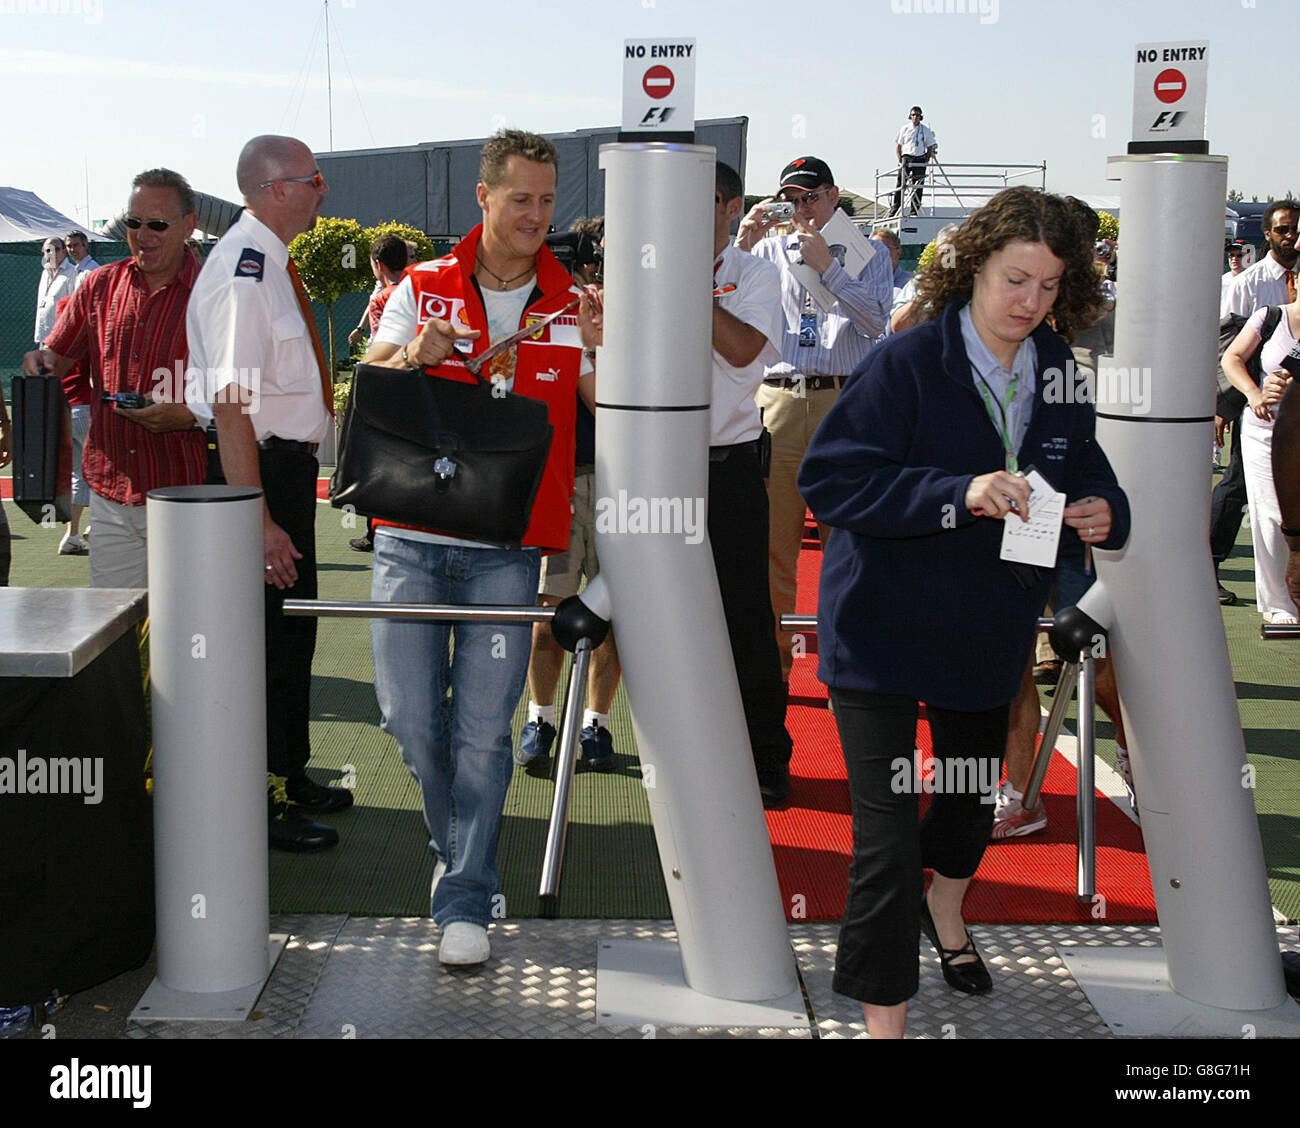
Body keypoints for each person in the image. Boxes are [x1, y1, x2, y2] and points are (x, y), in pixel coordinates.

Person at [798, 186, 1129, 1038]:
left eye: (1052, 287)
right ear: (974, 264)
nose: (1031, 302)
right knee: (884, 841)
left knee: (968, 800)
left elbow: (1081, 460)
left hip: (987, 620)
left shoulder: (1055, 362)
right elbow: (830, 481)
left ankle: (946, 911)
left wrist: (1101, 507)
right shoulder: (904, 361)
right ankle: (885, 1025)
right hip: (879, 623)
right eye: (1017, 278)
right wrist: (960, 491)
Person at [361, 129, 599, 967]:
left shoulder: (575, 302)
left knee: (482, 733)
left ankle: (465, 891)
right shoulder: (422, 285)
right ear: (484, 198)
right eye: (520, 198)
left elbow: (615, 399)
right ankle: (457, 851)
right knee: (409, 719)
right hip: (411, 538)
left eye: (546, 199)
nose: (536, 214)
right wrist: (410, 352)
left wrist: (608, 345)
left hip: (508, 544)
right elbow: (370, 367)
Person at [186, 135, 349, 853]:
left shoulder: (270, 266)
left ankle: (287, 774)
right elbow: (230, 407)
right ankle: (258, 801)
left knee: (289, 634)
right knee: (264, 642)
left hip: (276, 473)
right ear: (279, 187)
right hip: (257, 478)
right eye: (315, 180)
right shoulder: (245, 272)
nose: (324, 192)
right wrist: (259, 521)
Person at [734, 155, 893, 683]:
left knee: (844, 545)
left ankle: (845, 667)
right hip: (778, 394)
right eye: (792, 199)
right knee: (773, 544)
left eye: (810, 196)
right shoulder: (768, 248)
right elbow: (724, 308)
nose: (801, 208)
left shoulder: (865, 251)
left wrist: (830, 268)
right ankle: (774, 669)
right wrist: (740, 243)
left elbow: (877, 324)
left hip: (842, 399)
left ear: (833, 195)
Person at [22, 170, 207, 588]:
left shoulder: (216, 294)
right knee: (113, 635)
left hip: (184, 494)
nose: (143, 234)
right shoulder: (101, 284)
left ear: (189, 225)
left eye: (157, 224)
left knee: (185, 636)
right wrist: (40, 363)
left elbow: (244, 390)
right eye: (134, 223)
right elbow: (58, 356)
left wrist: (190, 414)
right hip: (109, 490)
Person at [516, 216, 623, 776]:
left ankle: (596, 724)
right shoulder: (529, 310)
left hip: (616, 480)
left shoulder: (619, 305)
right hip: (555, 481)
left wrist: (597, 338)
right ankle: (541, 716)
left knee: (616, 612)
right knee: (546, 614)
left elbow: (619, 398)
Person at [704, 162, 794, 807]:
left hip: (725, 466)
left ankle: (765, 758)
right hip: (647, 468)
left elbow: (739, 350)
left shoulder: (756, 273)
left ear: (733, 206)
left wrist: (684, 285)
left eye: (700, 200)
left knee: (744, 616)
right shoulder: (634, 268)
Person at [1214, 202, 1300, 603]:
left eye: (1295, 229)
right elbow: (1227, 347)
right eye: (1283, 229)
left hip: (1288, 409)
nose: (1290, 236)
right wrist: (1229, 405)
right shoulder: (1247, 282)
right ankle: (1210, 564)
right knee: (1238, 487)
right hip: (1256, 407)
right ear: (1267, 233)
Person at [1221, 283, 1300, 624]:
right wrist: (1254, 393)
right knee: (1270, 515)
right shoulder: (1270, 317)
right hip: (1264, 431)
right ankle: (1280, 604)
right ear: (1293, 283)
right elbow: (1232, 357)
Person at [347, 235, 410, 553]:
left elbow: (380, 346)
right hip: (412, 385)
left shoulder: (383, 298)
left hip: (383, 385)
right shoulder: (418, 290)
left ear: (378, 264)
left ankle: (376, 532)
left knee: (375, 462)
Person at [890, 106, 937, 218]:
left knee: (918, 185)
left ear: (921, 117)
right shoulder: (904, 129)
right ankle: (895, 207)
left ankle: (914, 210)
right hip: (907, 157)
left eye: (917, 115)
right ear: (910, 116)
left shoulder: (925, 130)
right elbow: (899, 146)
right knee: (901, 183)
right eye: (913, 115)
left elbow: (930, 146)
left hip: (919, 157)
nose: (915, 117)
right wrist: (900, 159)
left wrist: (926, 159)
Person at [33, 236, 77, 348]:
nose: (52, 253)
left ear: (64, 251)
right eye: (48, 250)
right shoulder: (45, 273)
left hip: (62, 337)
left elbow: (74, 307)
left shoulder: (72, 272)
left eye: (56, 249)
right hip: (44, 336)